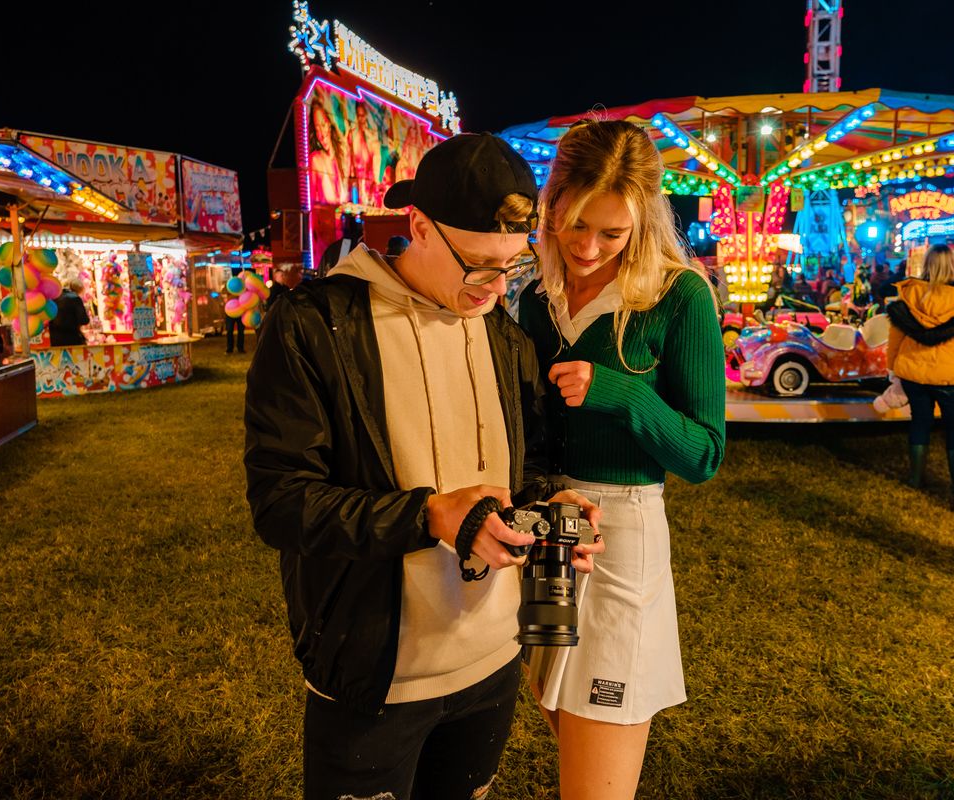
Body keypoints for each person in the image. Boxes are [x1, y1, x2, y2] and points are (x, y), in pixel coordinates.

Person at [244, 132, 603, 800]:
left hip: (493, 663)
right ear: (418, 228)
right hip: (375, 675)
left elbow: (524, 472)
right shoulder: (316, 326)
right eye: (477, 265)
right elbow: (280, 501)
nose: (496, 286)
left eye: (510, 266)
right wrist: (428, 515)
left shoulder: (504, 336)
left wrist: (550, 508)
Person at [517, 119, 726, 800]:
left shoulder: (679, 296)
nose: (587, 247)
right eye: (574, 225)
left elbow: (703, 454)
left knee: (601, 736)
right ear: (552, 206)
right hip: (545, 528)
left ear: (644, 220)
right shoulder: (532, 298)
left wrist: (621, 393)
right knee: (556, 707)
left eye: (612, 233)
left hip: (623, 533)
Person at [886, 244, 954, 495]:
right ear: (952, 265)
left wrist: (892, 368)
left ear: (927, 264)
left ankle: (915, 478)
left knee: (920, 422)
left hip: (913, 373)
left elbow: (895, 339)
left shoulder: (910, 295)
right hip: (949, 377)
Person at [49, 277, 90, 346]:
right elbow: (84, 320)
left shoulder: (54, 297)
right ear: (79, 289)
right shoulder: (75, 298)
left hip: (55, 339)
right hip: (72, 339)